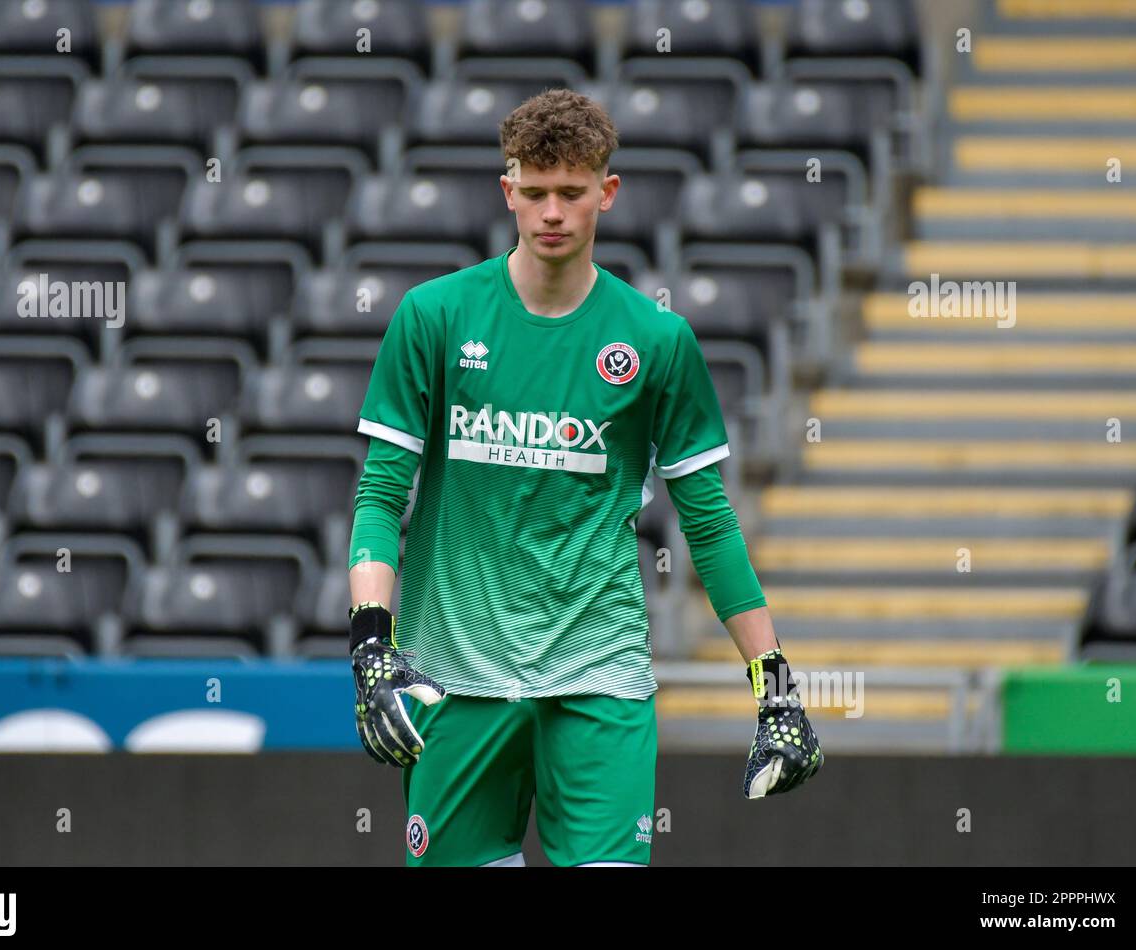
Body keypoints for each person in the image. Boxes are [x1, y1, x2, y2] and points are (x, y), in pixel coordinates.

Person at [347, 89, 822, 867]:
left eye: (572, 192)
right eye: (533, 193)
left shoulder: (657, 340)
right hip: (456, 680)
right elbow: (379, 495)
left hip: (598, 679)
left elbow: (709, 524)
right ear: (508, 192)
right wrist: (371, 644)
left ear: (608, 191)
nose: (552, 212)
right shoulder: (432, 317)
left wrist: (774, 683)